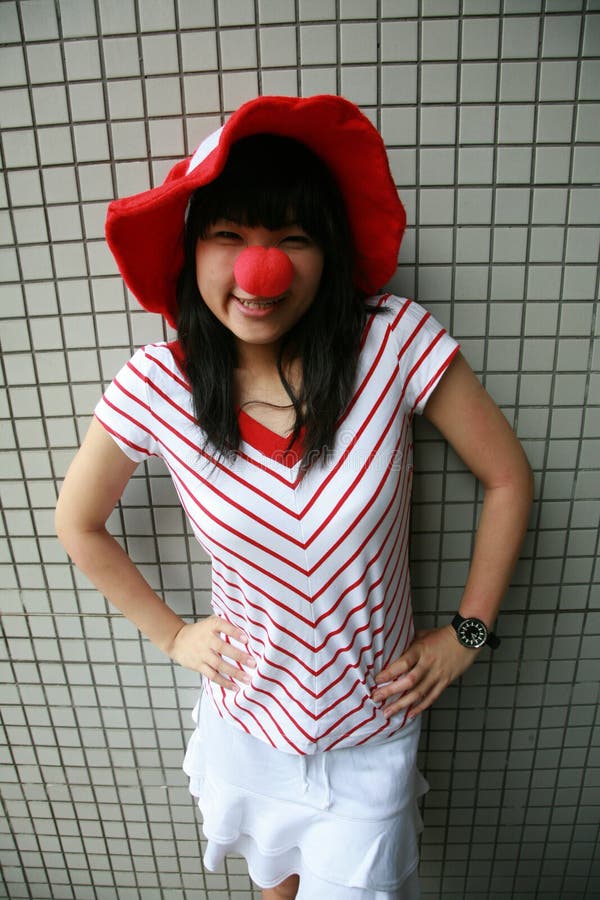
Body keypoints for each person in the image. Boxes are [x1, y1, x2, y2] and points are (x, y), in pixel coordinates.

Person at [55, 95, 533, 900]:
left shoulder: (393, 341)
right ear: (193, 248)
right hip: (249, 726)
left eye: (292, 239)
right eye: (231, 236)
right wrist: (174, 637)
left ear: (328, 252)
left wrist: (469, 633)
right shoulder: (157, 384)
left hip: (371, 733)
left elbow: (508, 478)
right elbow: (79, 523)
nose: (260, 269)